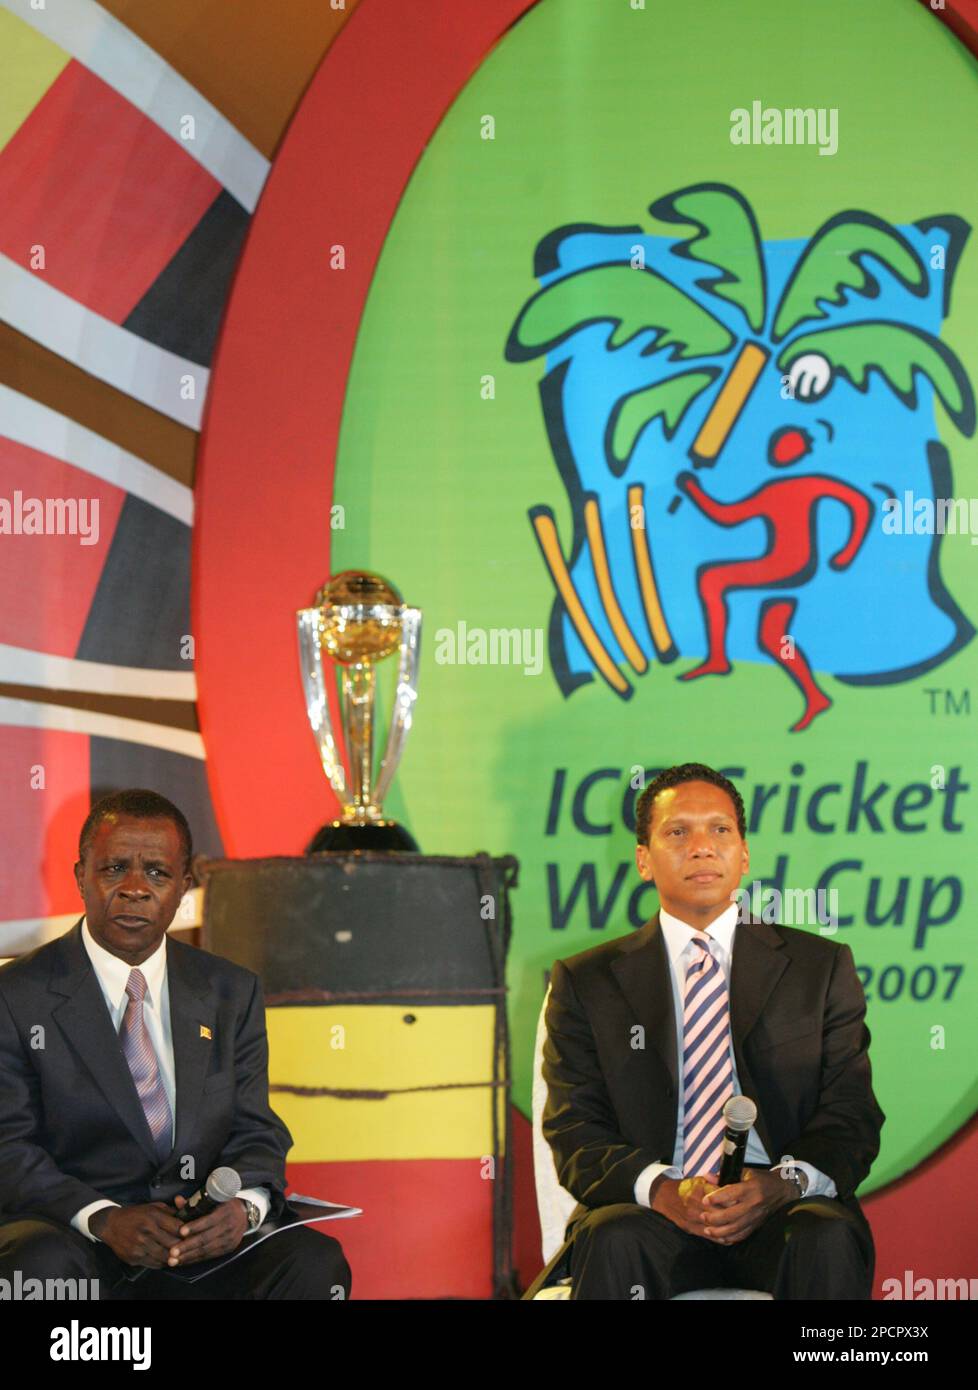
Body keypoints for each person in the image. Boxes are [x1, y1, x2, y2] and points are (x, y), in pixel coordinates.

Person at [526, 762, 884, 1300]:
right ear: (643, 860)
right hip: (651, 1214)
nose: (701, 847)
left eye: (720, 830)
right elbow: (577, 1132)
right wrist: (664, 1190)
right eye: (677, 832)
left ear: (744, 854)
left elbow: (851, 1115)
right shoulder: (586, 982)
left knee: (824, 1235)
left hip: (780, 1211)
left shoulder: (819, 967)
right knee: (613, 1237)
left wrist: (779, 1184)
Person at [0, 788, 351, 1300]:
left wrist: (243, 1208)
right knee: (38, 1269)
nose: (135, 890)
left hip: (200, 1241)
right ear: (81, 877)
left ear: (184, 887)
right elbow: (9, 1147)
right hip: (81, 1240)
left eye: (158, 874)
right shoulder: (17, 995)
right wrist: (103, 1219)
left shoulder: (232, 990)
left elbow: (256, 1129)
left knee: (314, 1264)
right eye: (114, 869)